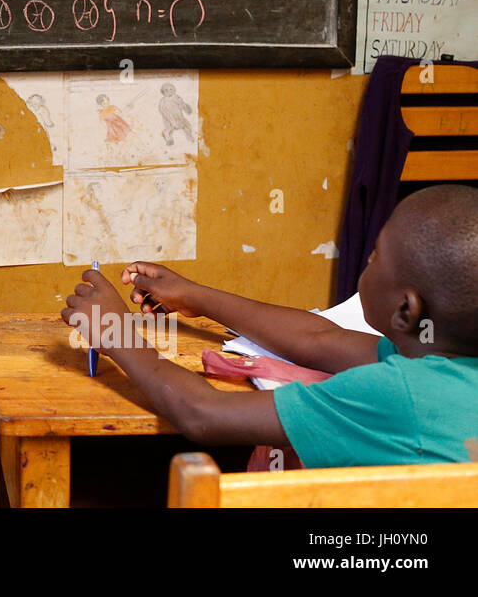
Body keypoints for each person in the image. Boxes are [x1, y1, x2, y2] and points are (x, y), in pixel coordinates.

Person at [61, 185, 478, 468]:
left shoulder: (397, 394)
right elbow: (319, 338)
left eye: (376, 256)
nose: (367, 261)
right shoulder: (440, 358)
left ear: (406, 312)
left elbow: (204, 414)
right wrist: (196, 297)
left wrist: (115, 334)